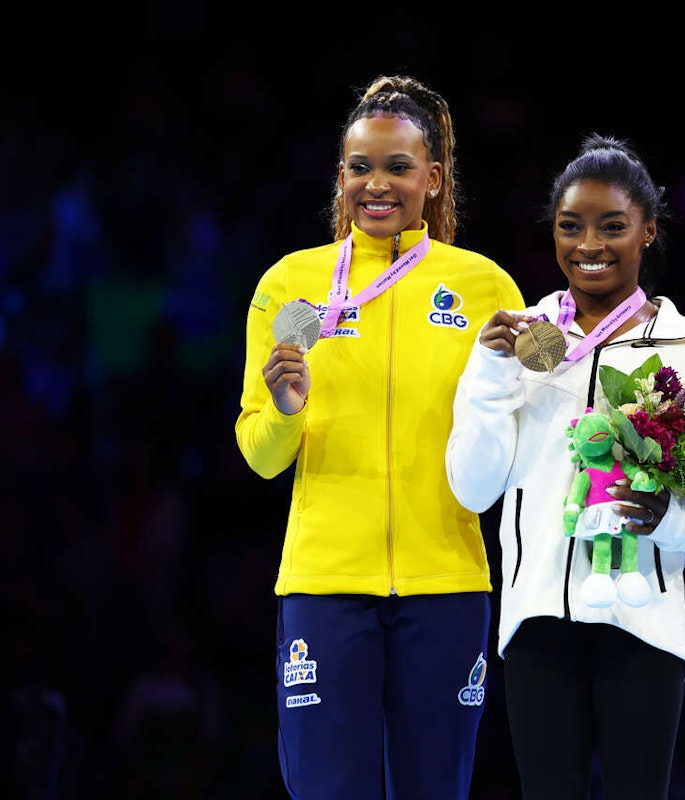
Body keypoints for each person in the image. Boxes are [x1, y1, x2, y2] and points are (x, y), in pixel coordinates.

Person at [233, 74, 524, 800]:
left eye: (398, 167)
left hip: (447, 586)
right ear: (341, 176)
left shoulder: (485, 286)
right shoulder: (295, 289)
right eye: (360, 167)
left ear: (433, 176)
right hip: (326, 589)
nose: (378, 184)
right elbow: (262, 457)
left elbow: (556, 380)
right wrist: (288, 407)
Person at [445, 133, 685, 800]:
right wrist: (491, 373)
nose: (590, 245)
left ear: (647, 231)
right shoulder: (517, 342)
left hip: (646, 621)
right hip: (536, 623)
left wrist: (666, 522)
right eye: (570, 227)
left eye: (613, 226)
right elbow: (472, 487)